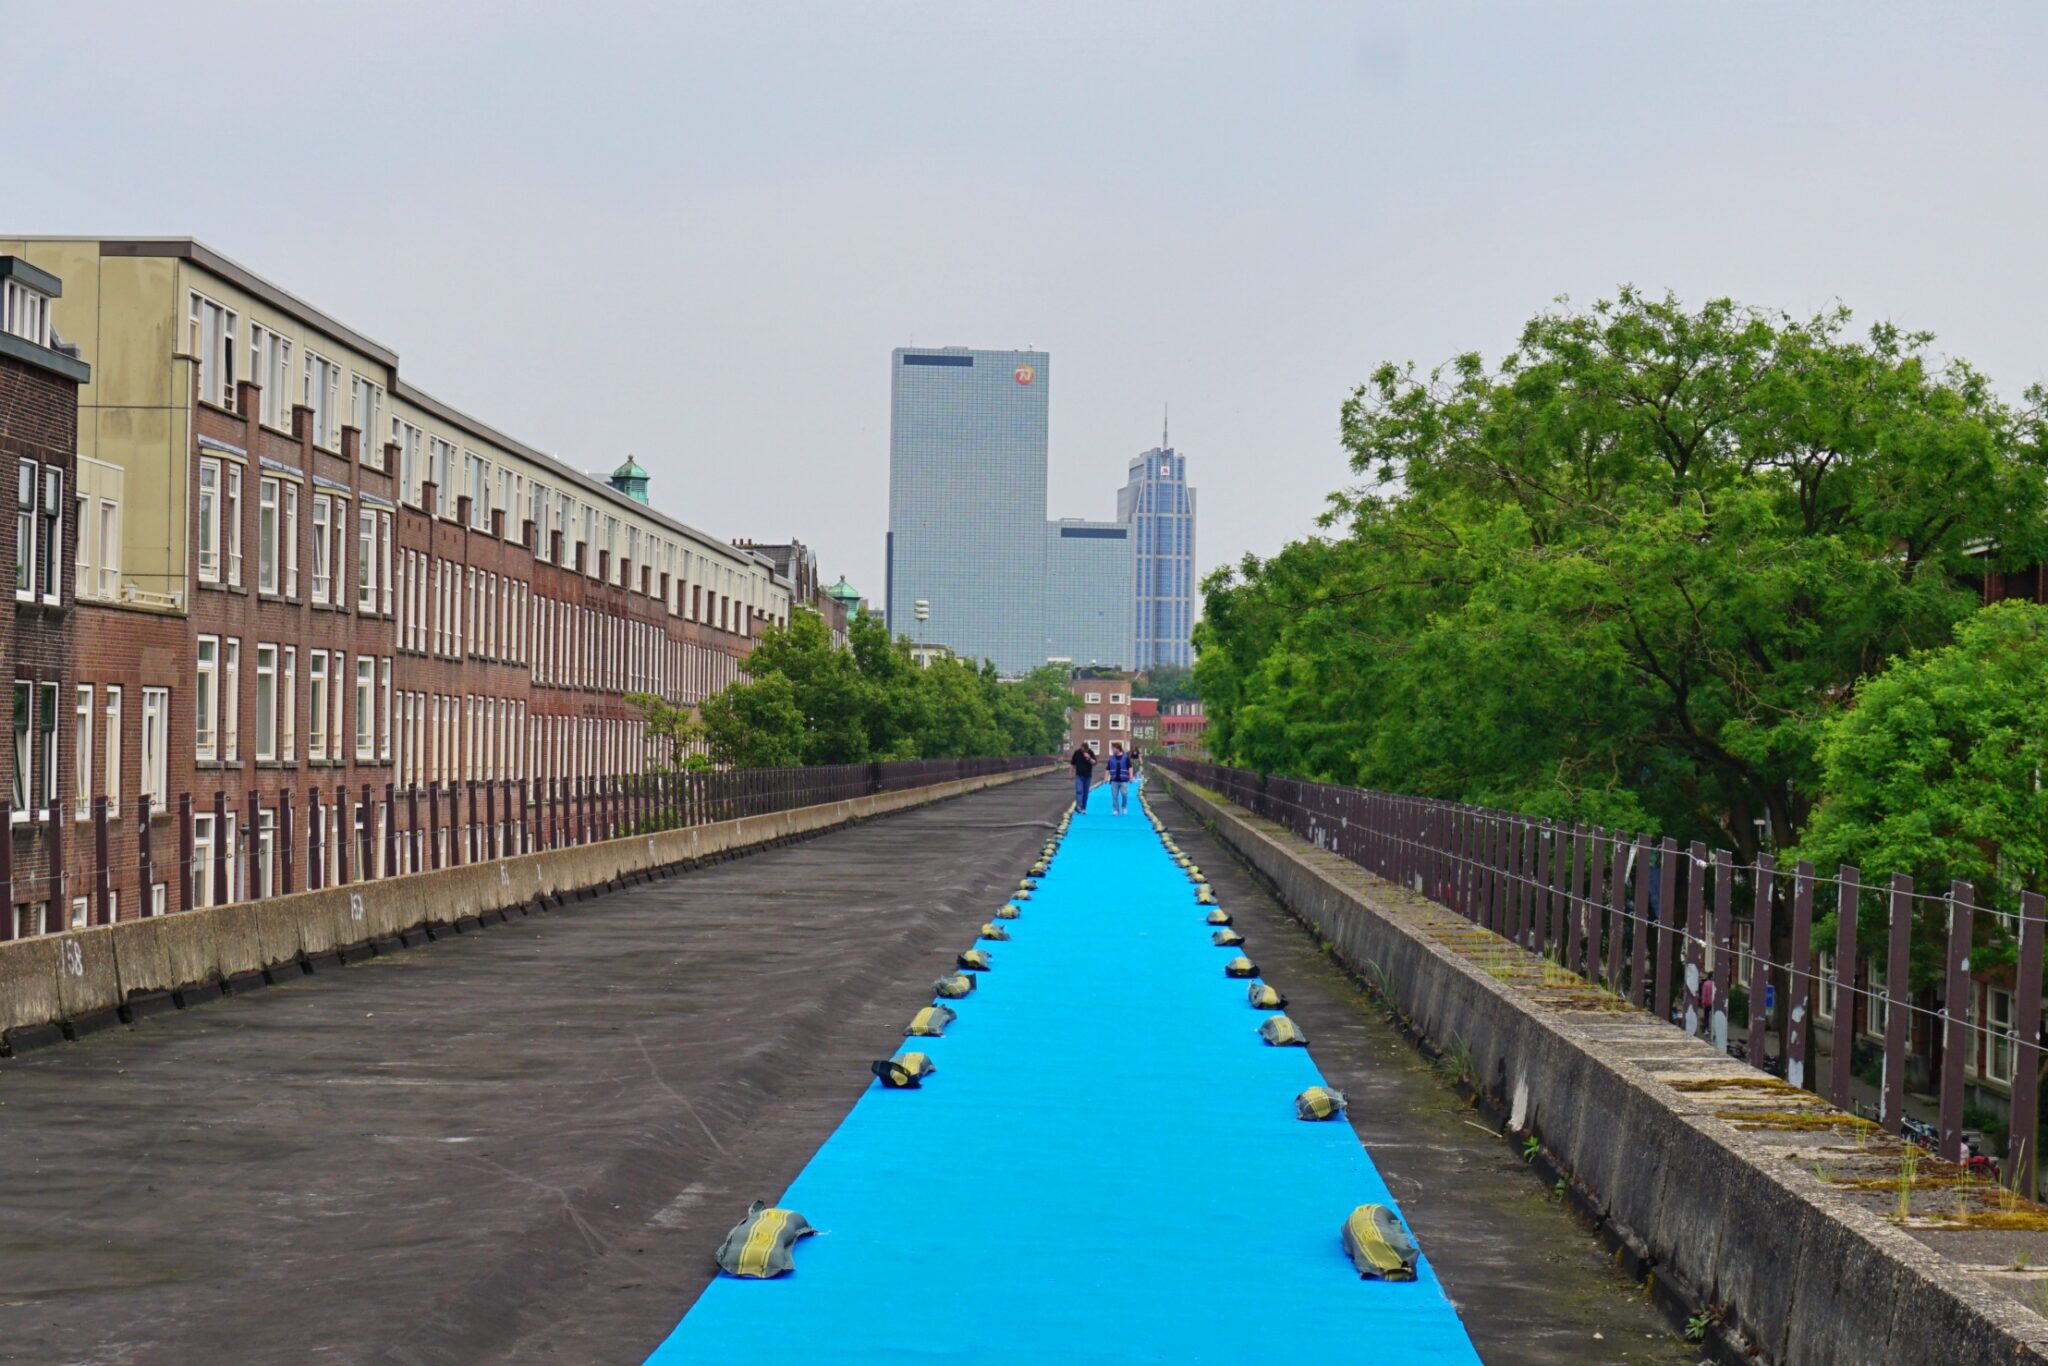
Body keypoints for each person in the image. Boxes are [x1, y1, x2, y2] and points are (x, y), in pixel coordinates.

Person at [1105, 743, 1132, 815]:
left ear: (1118, 748)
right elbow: (1108, 768)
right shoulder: (1111, 758)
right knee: (1114, 796)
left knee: (1124, 794)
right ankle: (1116, 810)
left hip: (1123, 780)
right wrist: (1105, 778)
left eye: (1113, 748)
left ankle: (1124, 806)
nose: (1112, 750)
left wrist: (1131, 776)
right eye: (1112, 748)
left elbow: (1130, 767)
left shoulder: (1125, 757)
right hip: (1114, 780)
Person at [1069, 743, 1096, 813]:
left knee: (1085, 792)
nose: (1084, 751)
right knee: (1079, 790)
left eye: (1086, 750)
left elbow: (1094, 762)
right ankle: (1079, 806)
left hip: (1088, 776)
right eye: (1083, 749)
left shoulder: (1090, 752)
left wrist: (1089, 758)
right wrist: (1070, 773)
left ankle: (1083, 807)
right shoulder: (1077, 753)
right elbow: (1072, 763)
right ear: (1081, 748)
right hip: (1079, 775)